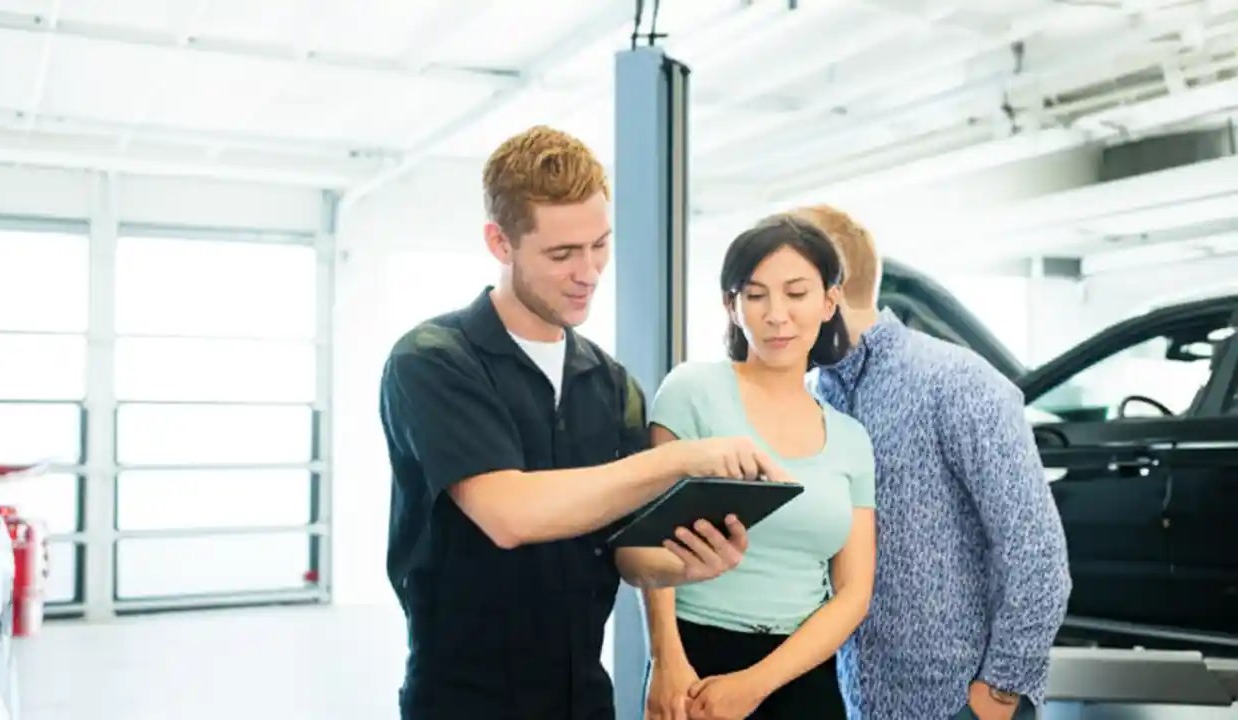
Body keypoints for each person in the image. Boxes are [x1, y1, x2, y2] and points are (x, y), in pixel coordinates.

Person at [378, 125, 784, 720]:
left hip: (584, 699)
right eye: (562, 254)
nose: (589, 272)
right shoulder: (433, 360)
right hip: (461, 701)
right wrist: (680, 458)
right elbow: (510, 514)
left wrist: (689, 561)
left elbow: (625, 554)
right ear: (500, 242)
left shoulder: (612, 385)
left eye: (600, 245)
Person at [795, 204, 1072, 720]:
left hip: (962, 707)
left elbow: (1037, 556)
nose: (773, 313)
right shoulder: (812, 398)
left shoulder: (956, 382)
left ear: (829, 289)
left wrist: (998, 696)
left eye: (790, 289)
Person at [626, 216, 878, 720]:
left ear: (828, 303)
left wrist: (757, 685)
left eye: (796, 293)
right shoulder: (691, 390)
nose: (777, 315)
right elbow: (646, 539)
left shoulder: (852, 439)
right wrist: (666, 659)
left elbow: (853, 592)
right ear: (732, 307)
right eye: (756, 295)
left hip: (801, 675)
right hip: (693, 664)